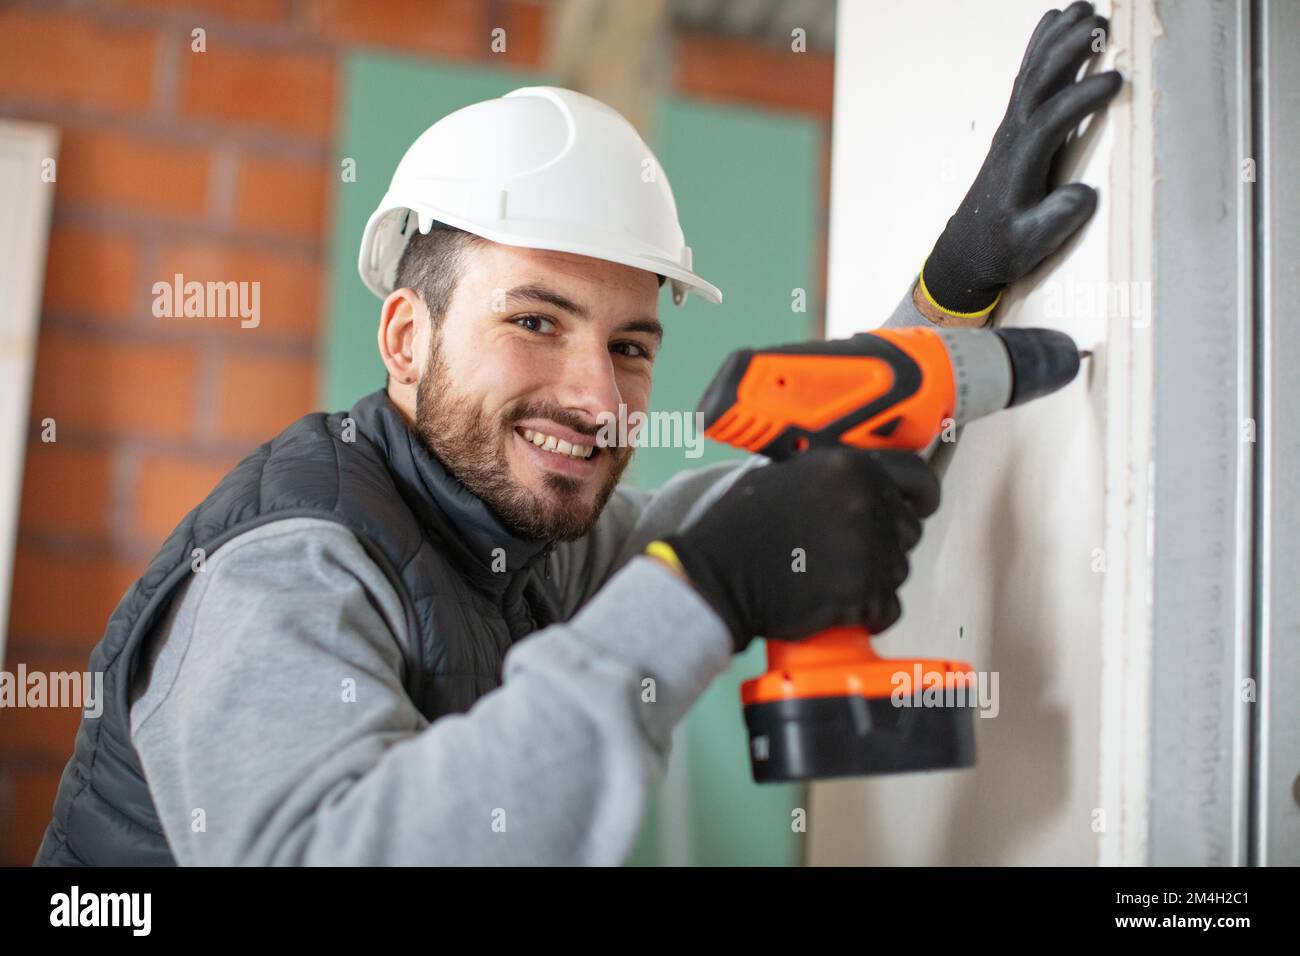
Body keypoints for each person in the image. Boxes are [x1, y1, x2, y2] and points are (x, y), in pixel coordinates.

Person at [35, 2, 1120, 865]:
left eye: (632, 344)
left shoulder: (533, 541)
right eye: (536, 321)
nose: (596, 395)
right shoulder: (282, 574)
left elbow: (775, 489)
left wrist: (952, 289)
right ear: (407, 337)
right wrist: (700, 588)